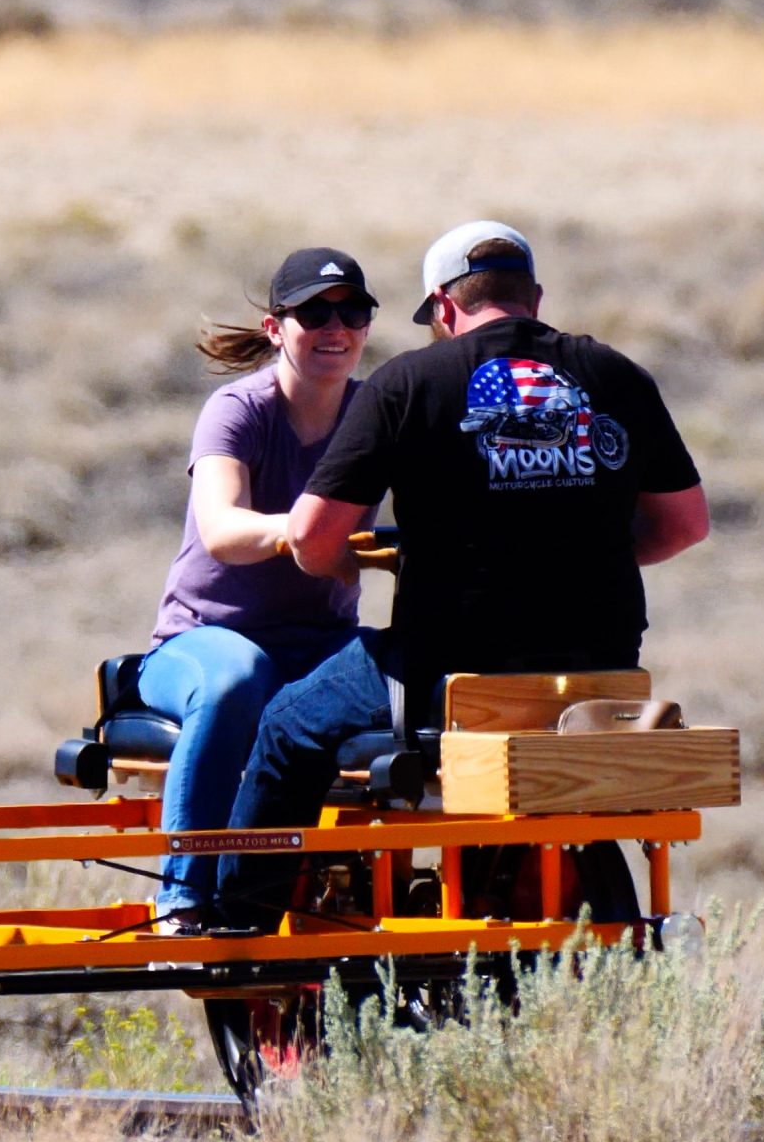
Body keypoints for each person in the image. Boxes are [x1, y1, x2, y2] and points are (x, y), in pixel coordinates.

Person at [215, 220, 711, 928]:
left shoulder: (409, 383)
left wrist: (341, 564)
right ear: (534, 298)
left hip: (445, 673)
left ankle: (241, 928)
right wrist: (573, 557)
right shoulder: (617, 376)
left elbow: (311, 535)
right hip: (598, 676)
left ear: (444, 307)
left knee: (288, 725)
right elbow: (686, 525)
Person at [140, 248, 378, 932]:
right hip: (205, 639)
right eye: (314, 313)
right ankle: (183, 901)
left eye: (352, 312)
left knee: (422, 683)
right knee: (237, 680)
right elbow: (221, 529)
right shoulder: (237, 410)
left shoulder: (374, 413)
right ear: (276, 328)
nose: (336, 328)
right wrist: (304, 535)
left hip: (321, 645)